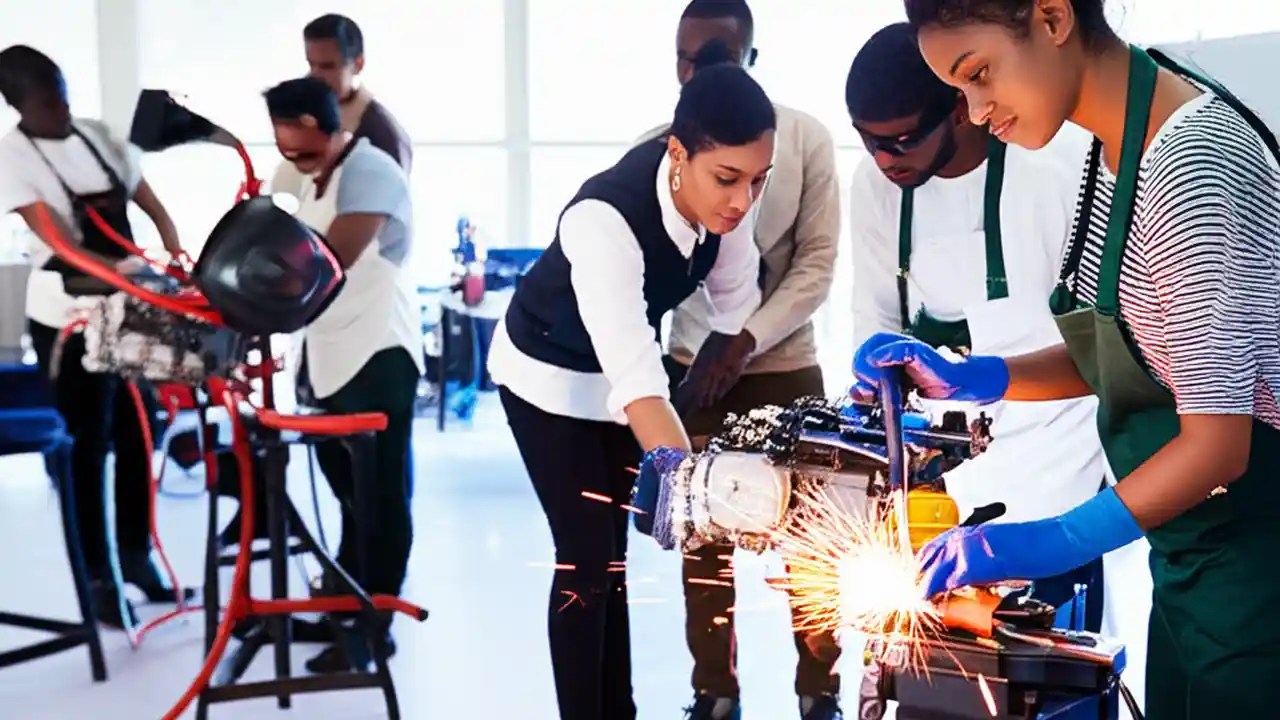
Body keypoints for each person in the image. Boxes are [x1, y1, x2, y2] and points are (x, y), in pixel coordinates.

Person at [854, 1, 1280, 717]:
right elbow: (1129, 355)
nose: (979, 111)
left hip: (1257, 566)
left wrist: (1054, 540)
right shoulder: (1113, 150)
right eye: (961, 93)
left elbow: (1217, 447)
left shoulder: (1189, 168)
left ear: (1050, 17)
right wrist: (981, 376)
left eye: (980, 74)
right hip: (1194, 565)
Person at [845, 21, 1153, 671]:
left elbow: (1110, 357)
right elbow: (874, 313)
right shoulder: (876, 187)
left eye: (900, 140)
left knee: (1046, 675)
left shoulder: (1060, 165)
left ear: (957, 107)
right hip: (943, 499)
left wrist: (1061, 535)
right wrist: (874, 384)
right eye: (868, 144)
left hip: (1056, 488)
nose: (883, 160)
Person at [487, 48, 774, 720]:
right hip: (545, 380)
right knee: (585, 560)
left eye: (757, 181)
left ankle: (620, 710)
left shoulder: (731, 200)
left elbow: (733, 307)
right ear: (677, 151)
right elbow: (637, 373)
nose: (742, 200)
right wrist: (695, 484)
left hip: (620, 376)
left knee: (615, 558)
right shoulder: (602, 221)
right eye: (728, 178)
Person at [635, 3, 841, 718]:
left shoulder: (807, 140)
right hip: (691, 373)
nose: (701, 70)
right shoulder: (652, 152)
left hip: (786, 369)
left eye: (720, 55)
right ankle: (714, 694)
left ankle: (820, 691)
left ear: (752, 57)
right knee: (702, 544)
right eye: (689, 58)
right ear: (676, 62)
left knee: (812, 543)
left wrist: (743, 340)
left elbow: (816, 267)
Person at [0, 45, 187, 629]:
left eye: (62, 92)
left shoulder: (96, 135)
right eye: (47, 100)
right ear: (17, 103)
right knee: (87, 447)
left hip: (129, 305)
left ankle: (136, 558)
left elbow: (147, 201)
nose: (61, 106)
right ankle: (99, 580)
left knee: (137, 433)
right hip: (68, 316)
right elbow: (61, 242)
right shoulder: (12, 157)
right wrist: (133, 279)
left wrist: (172, 249)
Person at [263, 76, 422, 673]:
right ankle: (344, 607)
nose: (295, 162)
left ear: (330, 129)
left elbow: (324, 268)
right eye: (285, 151)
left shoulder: (372, 171)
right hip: (329, 355)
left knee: (379, 499)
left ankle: (374, 626)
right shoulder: (313, 172)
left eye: (304, 149)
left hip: (377, 354)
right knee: (347, 495)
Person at [271, 13, 412, 198]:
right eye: (311, 64)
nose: (315, 76)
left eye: (328, 67)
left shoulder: (382, 135)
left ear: (358, 64)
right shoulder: (302, 111)